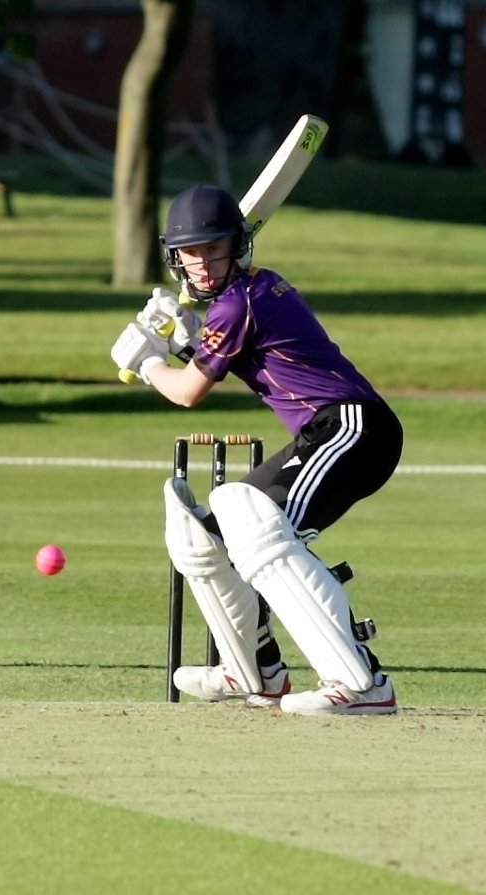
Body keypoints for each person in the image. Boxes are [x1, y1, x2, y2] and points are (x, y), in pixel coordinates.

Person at [110, 184, 401, 715]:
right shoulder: (245, 296)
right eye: (189, 251)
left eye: (212, 248)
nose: (200, 262)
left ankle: (362, 684)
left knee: (251, 520)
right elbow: (227, 351)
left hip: (354, 428)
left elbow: (187, 391)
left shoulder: (242, 300)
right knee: (207, 538)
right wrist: (181, 339)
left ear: (236, 246)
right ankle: (253, 671)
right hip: (330, 430)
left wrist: (148, 360)